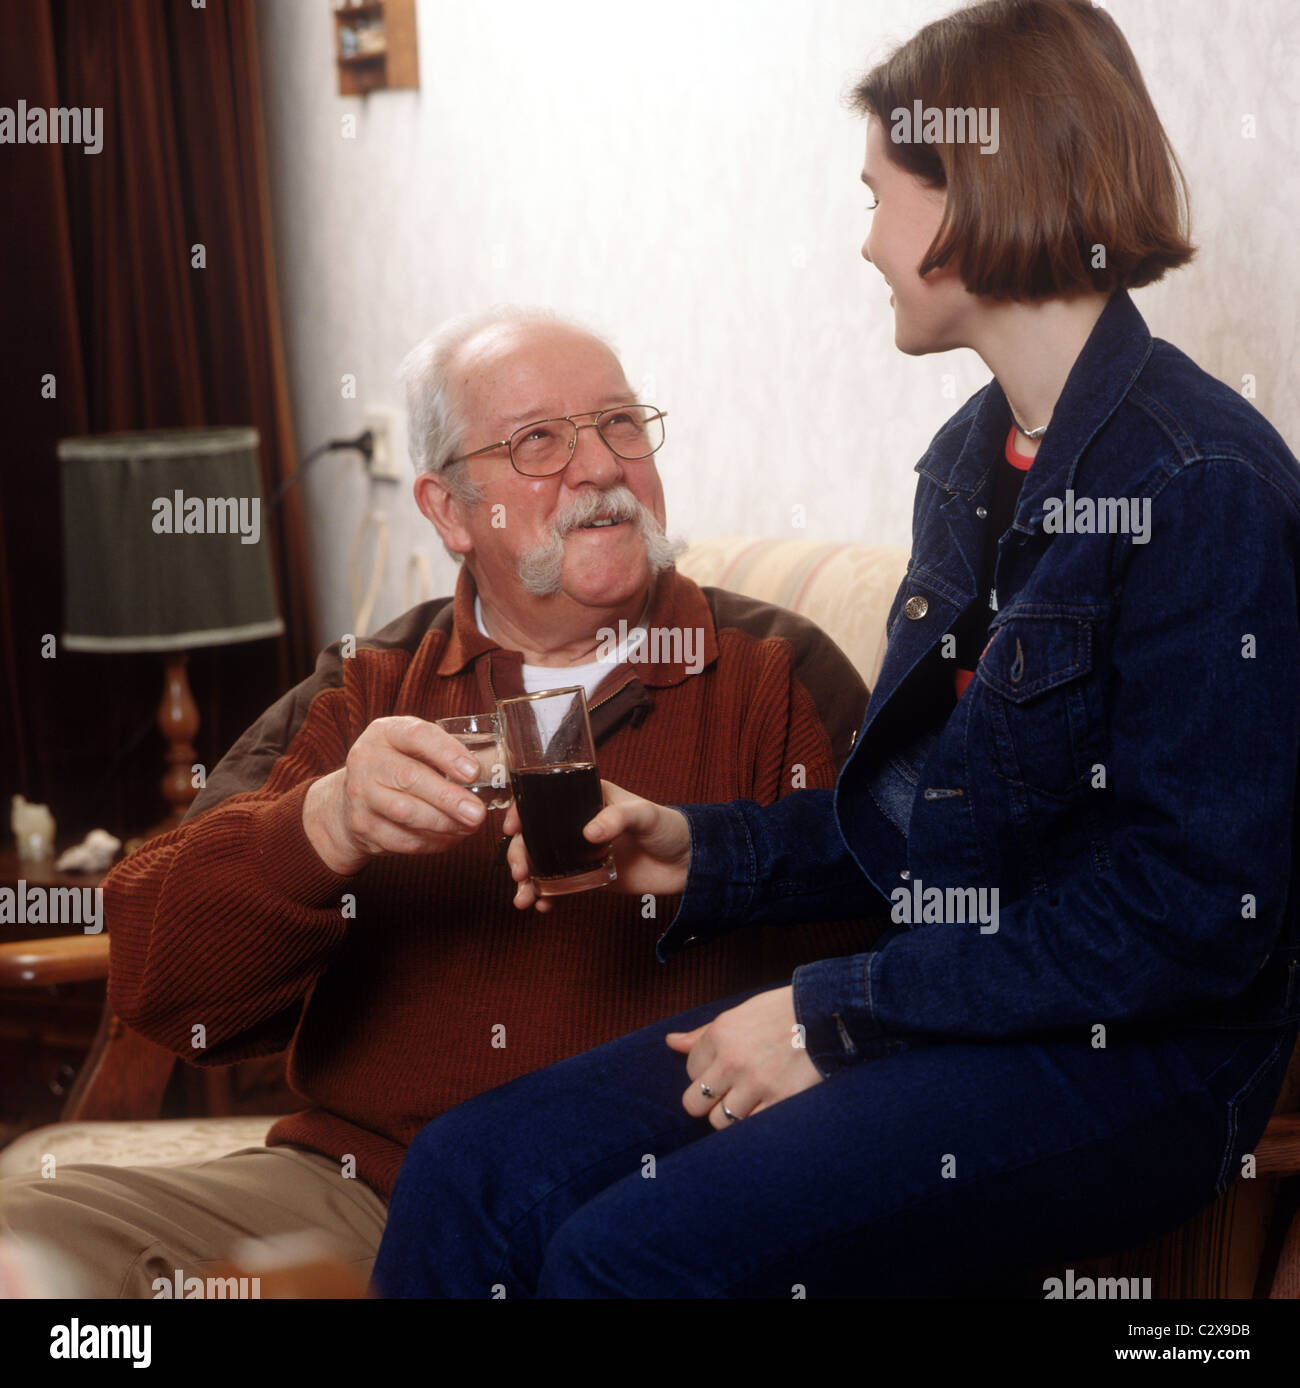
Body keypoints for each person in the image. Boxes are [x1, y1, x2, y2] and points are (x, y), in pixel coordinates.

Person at [371, 0, 1300, 1299]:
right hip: (951, 1001)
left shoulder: (1204, 484)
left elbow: (1190, 918)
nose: (865, 241)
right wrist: (698, 853)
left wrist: (834, 1013)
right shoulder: (973, 464)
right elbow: (925, 826)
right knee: (470, 1170)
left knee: (627, 1254)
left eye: (879, 193)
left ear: (973, 191)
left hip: (1142, 1061)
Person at [0, 307, 874, 1297]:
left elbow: (892, 958)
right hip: (359, 1187)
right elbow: (158, 971)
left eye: (621, 425)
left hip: (640, 1195)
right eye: (539, 439)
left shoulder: (774, 674)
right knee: (28, 1241)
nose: (599, 467)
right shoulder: (368, 684)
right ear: (449, 509)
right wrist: (322, 827)